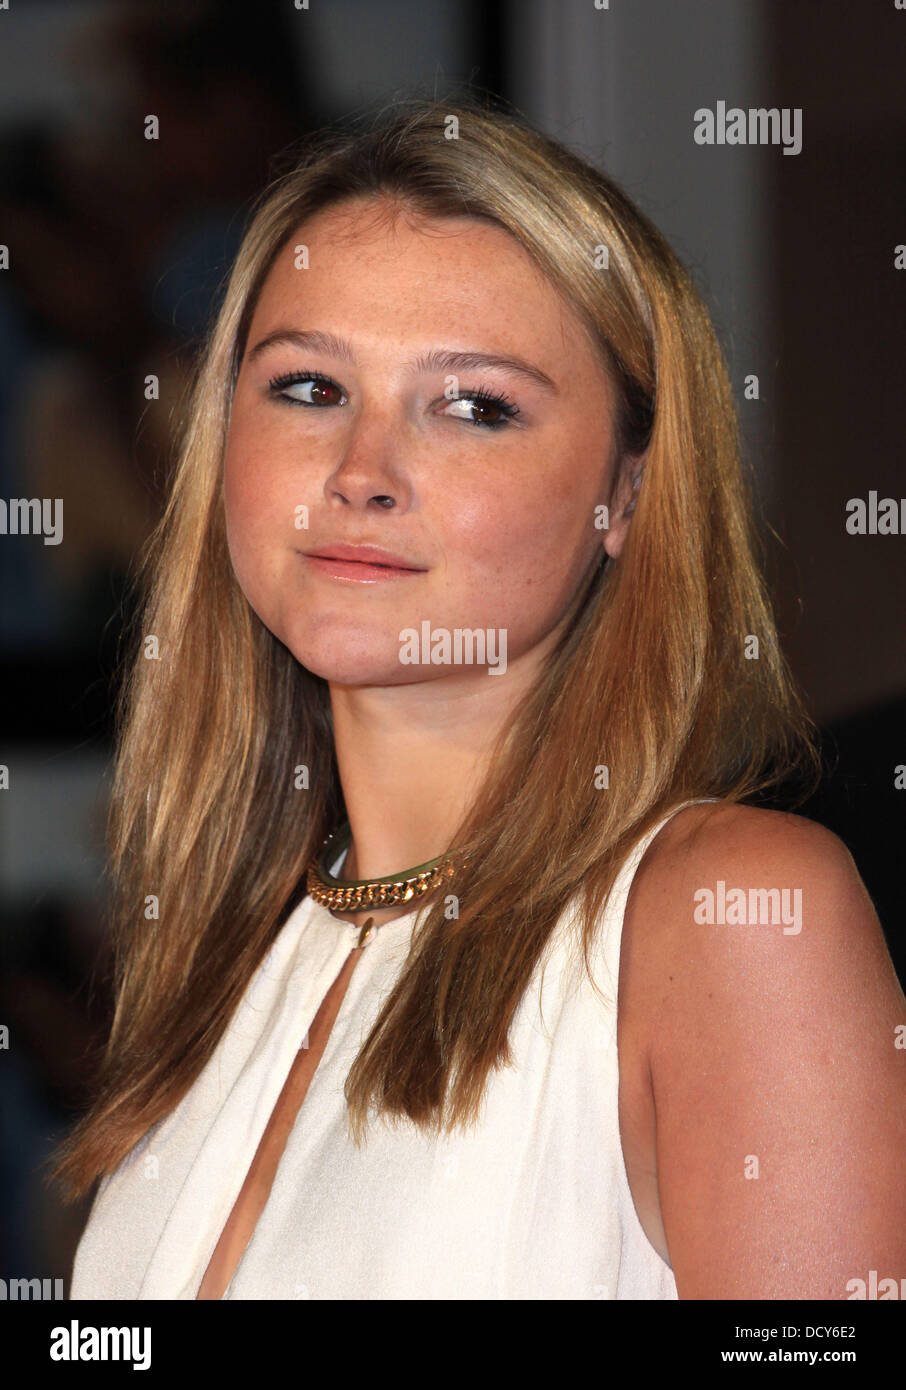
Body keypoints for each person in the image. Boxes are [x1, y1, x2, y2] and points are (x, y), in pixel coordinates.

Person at [53, 95, 906, 1300]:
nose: (361, 473)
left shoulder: (732, 916)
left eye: (474, 406)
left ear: (628, 495)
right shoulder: (232, 961)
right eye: (306, 388)